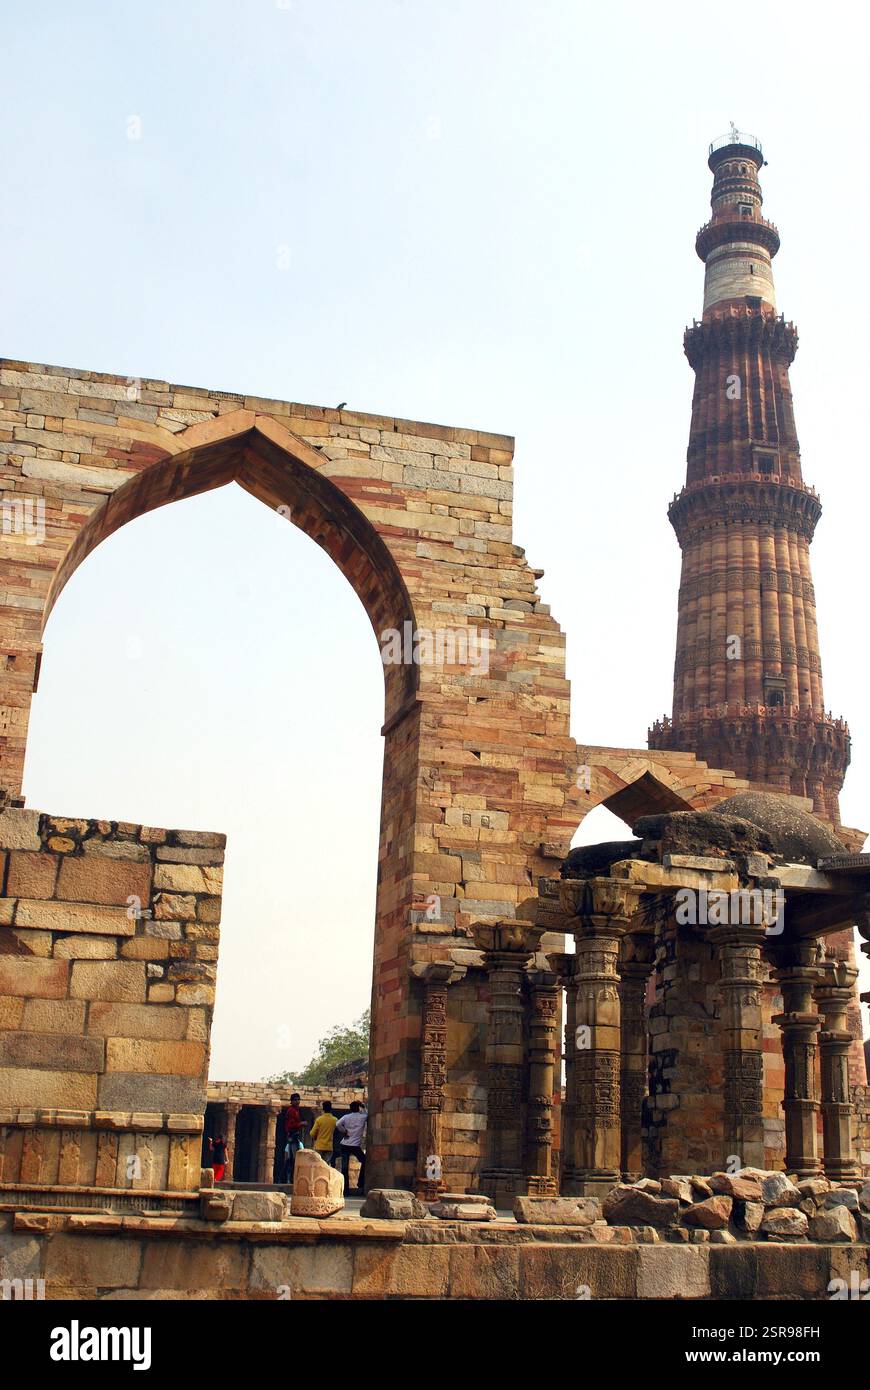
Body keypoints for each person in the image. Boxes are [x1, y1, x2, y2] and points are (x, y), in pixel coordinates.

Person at [334, 1100, 367, 1194]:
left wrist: (344, 1131)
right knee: (365, 1161)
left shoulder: (346, 1117)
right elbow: (367, 1114)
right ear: (358, 1108)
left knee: (344, 1167)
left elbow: (337, 1124)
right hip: (355, 1145)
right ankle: (360, 1182)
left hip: (345, 1144)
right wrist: (363, 1107)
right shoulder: (363, 1116)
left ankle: (345, 1190)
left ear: (350, 1108)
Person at [283, 1093, 305, 1183]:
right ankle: (290, 1179)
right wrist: (301, 1124)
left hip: (295, 1136)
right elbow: (290, 1125)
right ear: (291, 1101)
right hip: (292, 1136)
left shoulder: (296, 1110)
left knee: (293, 1159)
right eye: (295, 1100)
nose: (297, 1101)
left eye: (298, 1099)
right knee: (292, 1159)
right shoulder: (291, 1111)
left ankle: (292, 1178)